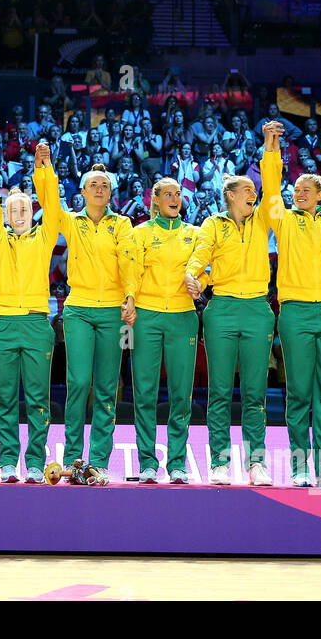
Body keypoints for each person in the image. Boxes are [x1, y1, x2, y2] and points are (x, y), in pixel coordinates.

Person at [259, 121, 321, 487]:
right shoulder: (283, 220)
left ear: (320, 195)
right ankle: (301, 465)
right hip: (295, 313)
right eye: (296, 188)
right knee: (299, 391)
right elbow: (270, 187)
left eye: (306, 189)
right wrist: (271, 146)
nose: (298, 192)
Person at [183, 170, 275, 486]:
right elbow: (200, 255)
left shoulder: (263, 219)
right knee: (219, 391)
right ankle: (219, 463)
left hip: (257, 309)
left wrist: (270, 149)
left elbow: (273, 183)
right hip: (221, 308)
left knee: (255, 393)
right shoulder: (213, 224)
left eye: (255, 189)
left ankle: (256, 463)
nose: (254, 193)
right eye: (247, 189)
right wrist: (193, 276)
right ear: (231, 195)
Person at [0, 140, 60, 483]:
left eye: (25, 208)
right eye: (13, 210)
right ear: (7, 216)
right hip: (2, 325)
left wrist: (44, 169)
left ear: (32, 212)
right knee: (6, 399)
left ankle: (36, 463)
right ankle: (8, 461)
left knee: (39, 400)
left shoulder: (45, 237)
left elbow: (54, 207)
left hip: (37, 324)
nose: (20, 214)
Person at [62, 163, 138, 484]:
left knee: (108, 388)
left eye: (104, 185)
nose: (98, 189)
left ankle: (98, 462)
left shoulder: (122, 224)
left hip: (114, 314)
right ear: (82, 192)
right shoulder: (70, 220)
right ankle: (71, 458)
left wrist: (131, 295)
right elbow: (50, 203)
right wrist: (45, 169)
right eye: (93, 184)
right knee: (78, 383)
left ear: (110, 193)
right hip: (77, 309)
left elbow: (129, 258)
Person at [125, 178, 200, 484]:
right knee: (144, 393)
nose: (174, 198)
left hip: (183, 317)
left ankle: (177, 462)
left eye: (177, 194)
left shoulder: (194, 233)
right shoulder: (140, 232)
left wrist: (201, 284)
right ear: (154, 200)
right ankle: (147, 461)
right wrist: (129, 301)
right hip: (146, 318)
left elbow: (202, 269)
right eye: (167, 194)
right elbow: (131, 270)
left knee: (182, 395)